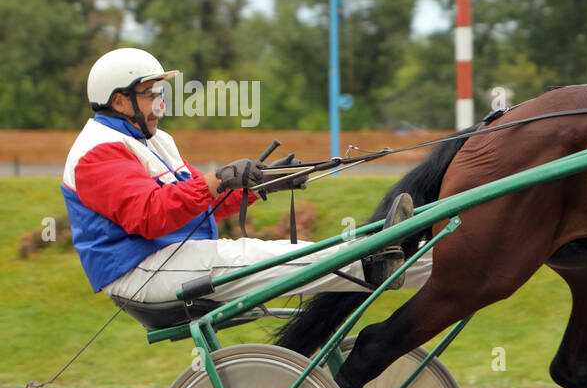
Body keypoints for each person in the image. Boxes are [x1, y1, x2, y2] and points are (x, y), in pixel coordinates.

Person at [62, 48, 425, 315]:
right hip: (142, 271)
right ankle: (375, 259)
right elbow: (150, 215)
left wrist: (259, 187)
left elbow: (198, 205)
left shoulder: (156, 140)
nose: (160, 105)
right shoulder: (97, 153)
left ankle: (416, 259)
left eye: (161, 94)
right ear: (120, 101)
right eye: (151, 95)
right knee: (256, 255)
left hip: (175, 257)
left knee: (277, 253)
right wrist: (218, 179)